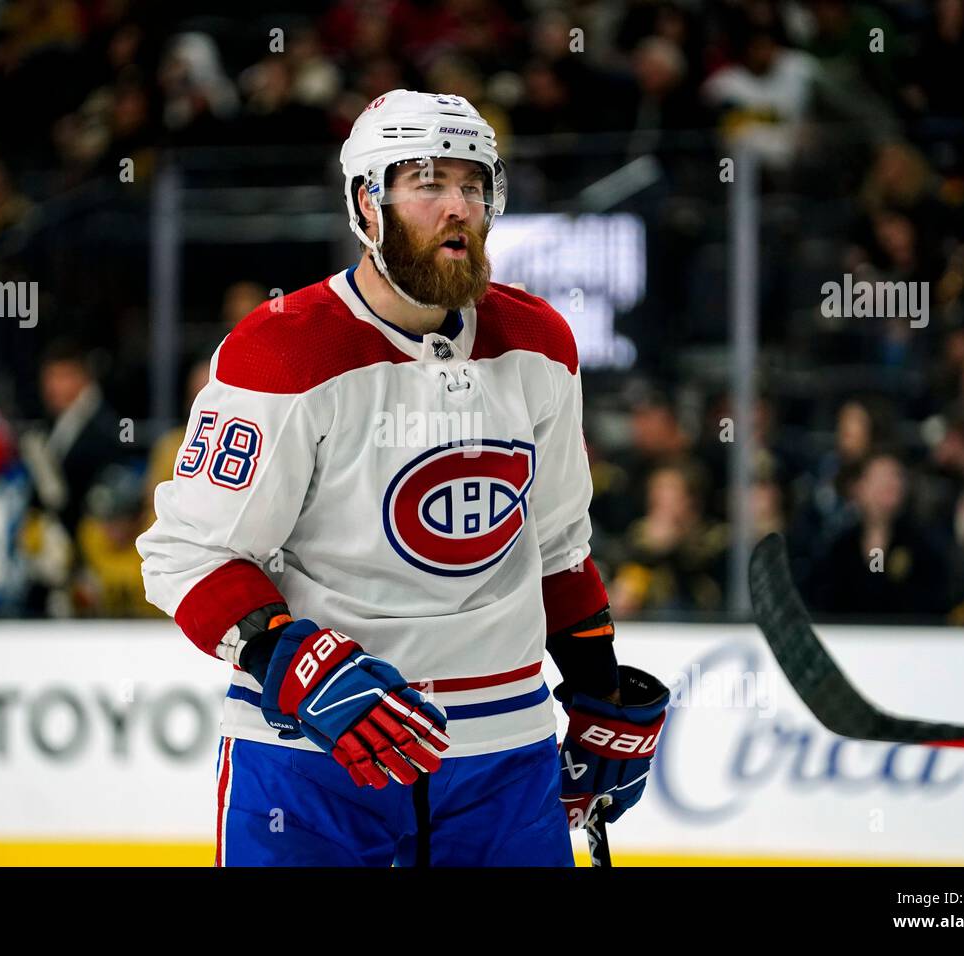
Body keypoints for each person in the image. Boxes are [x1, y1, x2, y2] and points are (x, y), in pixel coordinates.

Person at [138, 90, 668, 867]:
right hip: (313, 761)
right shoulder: (282, 353)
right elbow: (189, 556)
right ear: (366, 202)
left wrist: (598, 687)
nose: (458, 207)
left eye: (473, 184)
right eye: (428, 182)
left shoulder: (540, 343)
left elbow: (558, 547)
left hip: (505, 759)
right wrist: (289, 660)